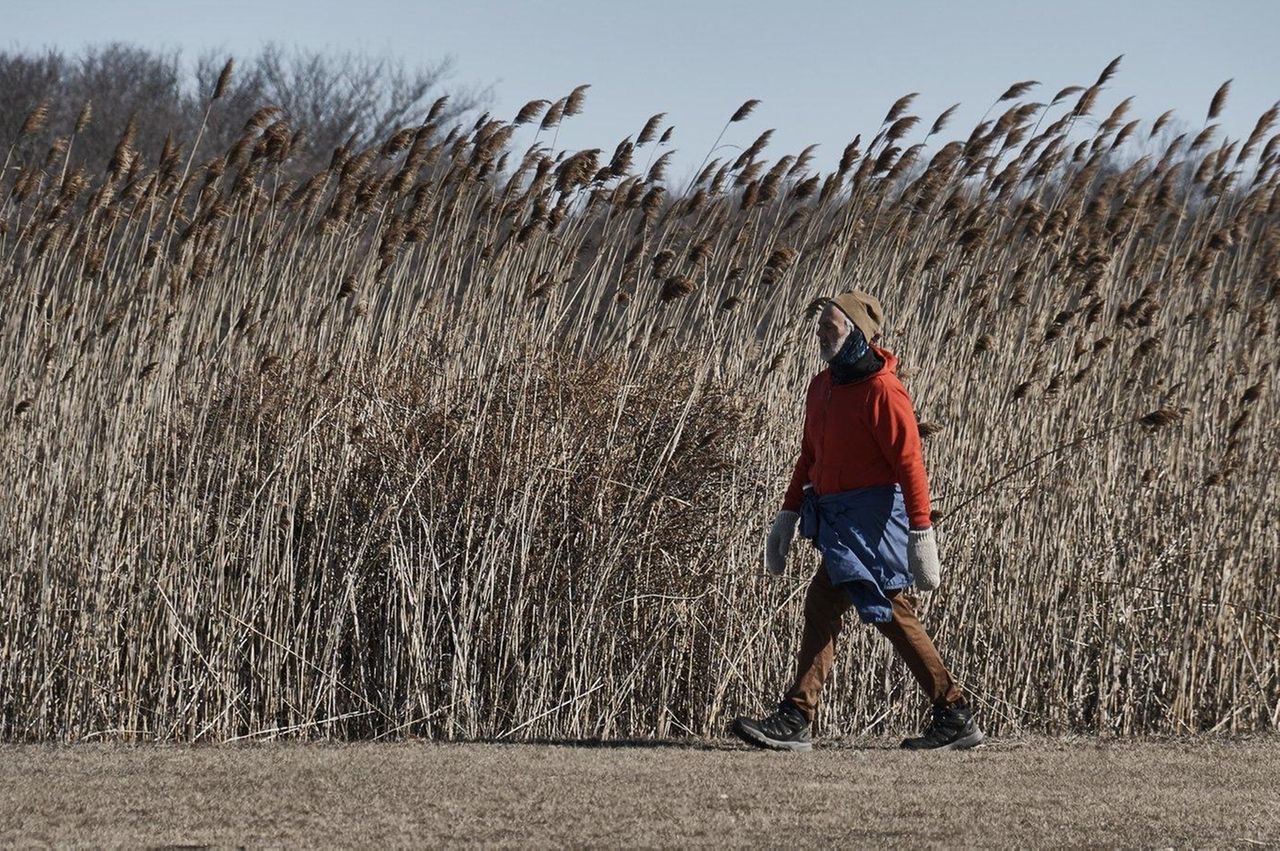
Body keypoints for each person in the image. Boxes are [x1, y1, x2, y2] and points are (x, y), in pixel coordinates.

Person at [731, 289, 984, 752]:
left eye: (830, 327)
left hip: (873, 522)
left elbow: (910, 464)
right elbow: (809, 457)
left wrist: (921, 532)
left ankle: (953, 710)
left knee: (889, 611)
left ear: (857, 334)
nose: (821, 335)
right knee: (824, 605)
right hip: (836, 522)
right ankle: (799, 715)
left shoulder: (884, 391)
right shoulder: (821, 387)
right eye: (820, 327)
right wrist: (787, 514)